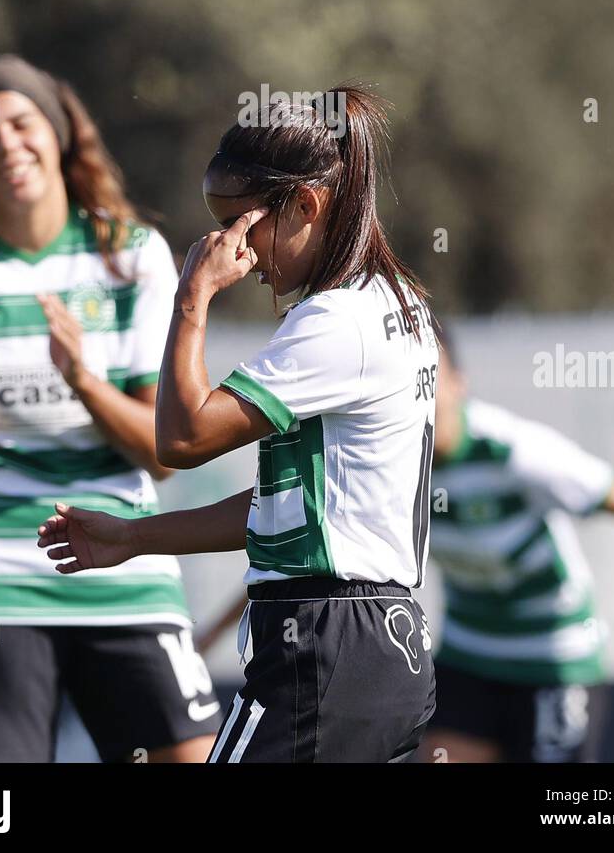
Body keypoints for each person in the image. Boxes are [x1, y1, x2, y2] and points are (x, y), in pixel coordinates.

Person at [38, 86, 439, 763]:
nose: (231, 250)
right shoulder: (394, 304)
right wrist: (138, 537)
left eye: (238, 225)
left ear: (306, 205)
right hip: (383, 648)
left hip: (323, 646)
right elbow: (289, 512)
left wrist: (190, 298)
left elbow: (181, 439)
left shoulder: (336, 324)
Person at [0, 55, 219, 763]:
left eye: (20, 122)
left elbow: (161, 453)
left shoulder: (132, 257)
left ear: (62, 131)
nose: (5, 144)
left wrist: (85, 384)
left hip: (126, 558)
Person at [420, 327, 614, 763]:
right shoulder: (393, 460)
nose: (421, 394)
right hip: (471, 651)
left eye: (432, 378)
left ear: (459, 383)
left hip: (554, 655)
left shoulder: (515, 451)